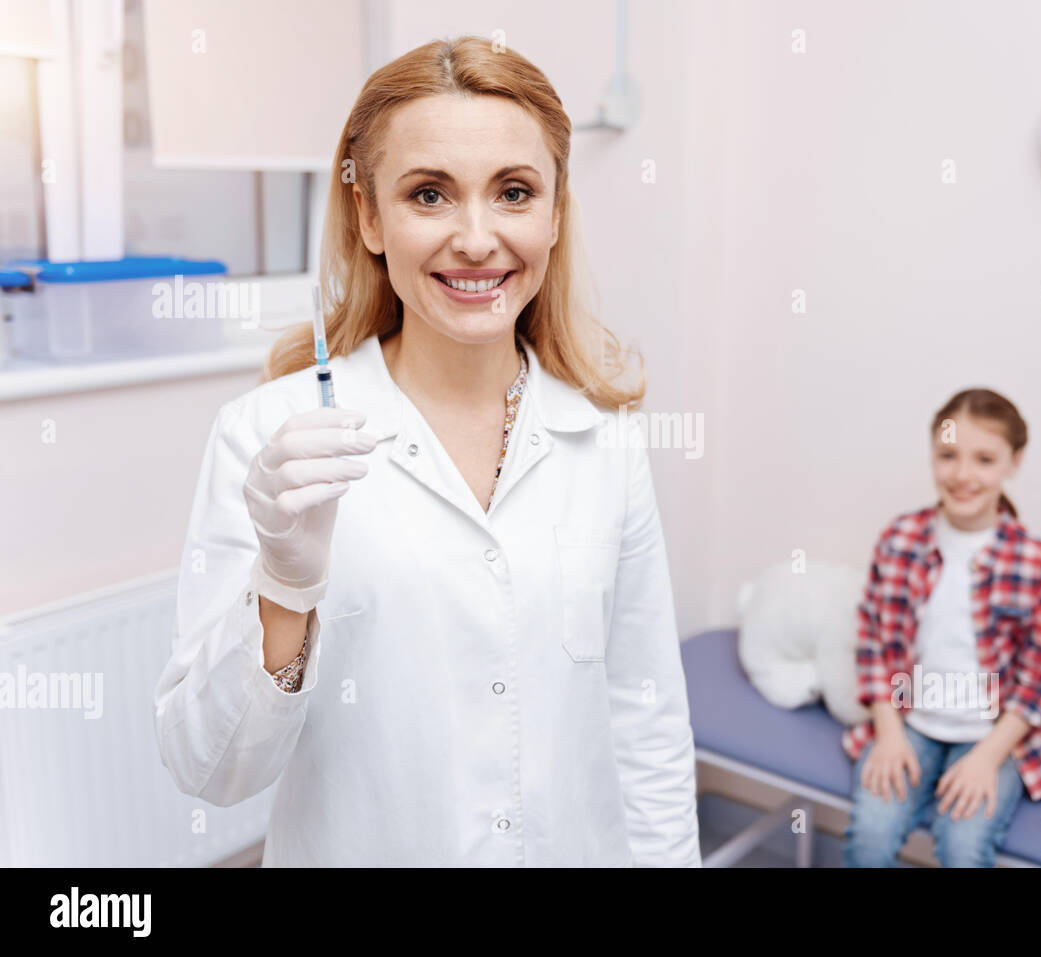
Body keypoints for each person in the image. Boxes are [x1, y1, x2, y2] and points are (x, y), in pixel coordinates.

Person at [153, 35, 702, 867]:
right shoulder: (268, 438)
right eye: (430, 194)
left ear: (554, 214)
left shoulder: (605, 441)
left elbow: (645, 719)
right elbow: (210, 766)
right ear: (370, 217)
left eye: (514, 192)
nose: (477, 238)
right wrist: (284, 589)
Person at [841, 389, 1041, 867]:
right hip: (911, 722)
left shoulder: (1032, 559)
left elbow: (1038, 683)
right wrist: (888, 734)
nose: (962, 475)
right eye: (948, 455)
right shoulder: (899, 539)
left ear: (1014, 462)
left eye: (984, 459)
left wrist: (987, 758)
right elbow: (873, 644)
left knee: (963, 844)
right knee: (871, 836)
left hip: (992, 734)